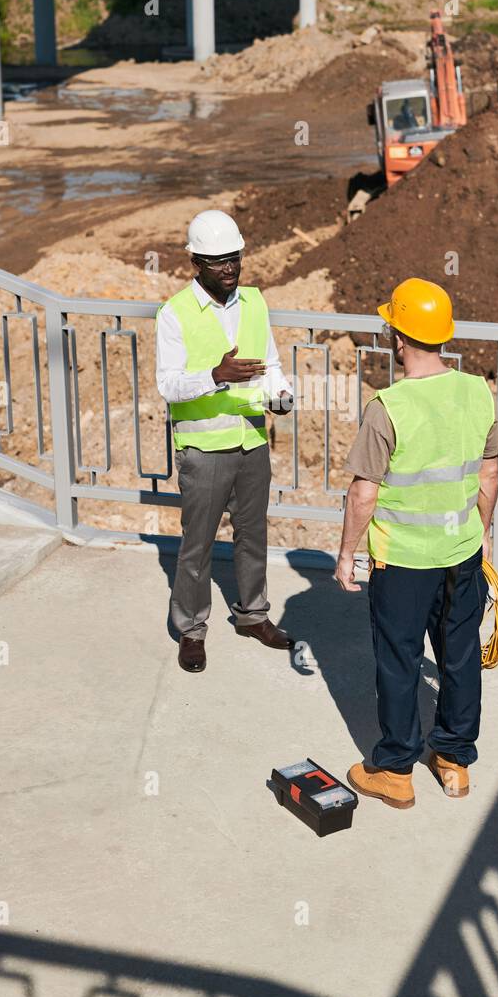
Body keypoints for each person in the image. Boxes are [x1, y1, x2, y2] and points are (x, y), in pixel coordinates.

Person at [335, 278, 498, 810]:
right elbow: (490, 474)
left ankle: (395, 769)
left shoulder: (388, 407)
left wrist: (346, 553)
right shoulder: (478, 391)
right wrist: (481, 538)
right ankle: (454, 762)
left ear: (397, 337)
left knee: (399, 660)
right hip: (462, 554)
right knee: (459, 656)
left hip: (403, 562)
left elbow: (363, 493)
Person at [156, 210, 295, 672]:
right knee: (197, 544)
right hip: (203, 449)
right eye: (218, 261)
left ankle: (253, 616)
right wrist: (216, 375)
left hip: (252, 439)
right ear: (195, 263)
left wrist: (280, 395)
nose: (230, 268)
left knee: (253, 535)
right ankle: (191, 630)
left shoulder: (254, 302)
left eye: (234, 258)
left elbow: (270, 362)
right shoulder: (174, 313)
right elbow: (168, 385)